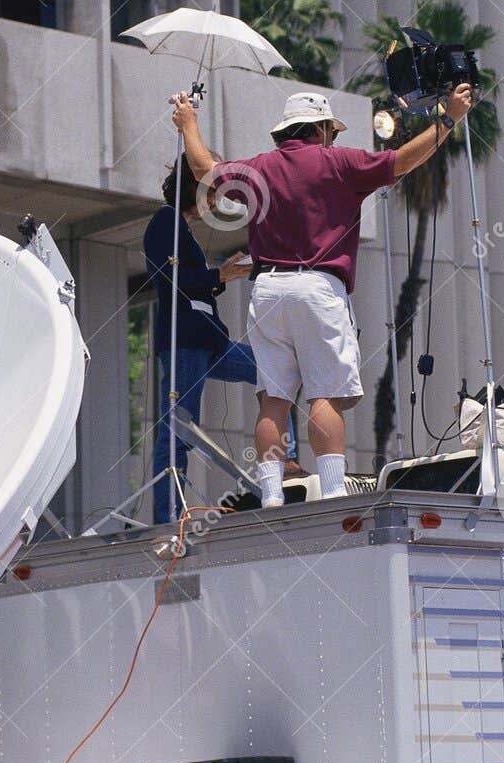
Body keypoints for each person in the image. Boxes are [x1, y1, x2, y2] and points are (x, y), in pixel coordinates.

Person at [173, 84, 474, 507]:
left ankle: (272, 495)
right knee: (324, 394)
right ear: (320, 130)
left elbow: (206, 170)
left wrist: (189, 124)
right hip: (317, 288)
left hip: (267, 289)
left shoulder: (259, 169)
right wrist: (448, 119)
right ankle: (332, 492)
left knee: (273, 397)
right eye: (331, 131)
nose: (334, 138)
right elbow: (403, 160)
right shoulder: (339, 162)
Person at [143, 159, 299, 524]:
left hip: (207, 339)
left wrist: (220, 274)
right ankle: (168, 516)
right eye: (211, 194)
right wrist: (221, 274)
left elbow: (187, 279)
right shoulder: (165, 221)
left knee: (275, 369)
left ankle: (284, 457)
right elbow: (172, 279)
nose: (214, 203)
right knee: (179, 425)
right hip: (186, 339)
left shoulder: (177, 225)